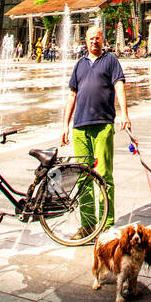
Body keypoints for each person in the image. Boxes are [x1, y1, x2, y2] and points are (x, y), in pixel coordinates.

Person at [61, 24, 131, 235]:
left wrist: (124, 114)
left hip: (102, 125)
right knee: (82, 176)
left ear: (103, 40)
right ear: (86, 41)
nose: (94, 41)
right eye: (91, 38)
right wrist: (65, 124)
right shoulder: (79, 64)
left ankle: (107, 222)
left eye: (98, 38)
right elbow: (72, 95)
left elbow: (119, 86)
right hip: (80, 127)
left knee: (103, 175)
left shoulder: (110, 61)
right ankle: (88, 223)